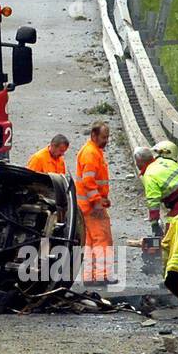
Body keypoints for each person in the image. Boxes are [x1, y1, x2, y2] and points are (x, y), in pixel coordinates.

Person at [74, 121, 114, 283]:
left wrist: (102, 198)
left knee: (90, 241)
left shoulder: (92, 151)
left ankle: (90, 276)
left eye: (107, 137)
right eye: (103, 137)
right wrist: (97, 202)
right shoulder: (91, 153)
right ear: (93, 135)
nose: (106, 140)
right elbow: (88, 181)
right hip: (92, 206)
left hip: (86, 206)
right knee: (103, 239)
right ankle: (102, 275)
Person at [134, 140, 178, 239]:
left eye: (137, 162)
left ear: (140, 162)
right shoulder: (165, 161)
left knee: (170, 233)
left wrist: (154, 223)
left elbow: (153, 201)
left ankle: (169, 252)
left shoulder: (149, 175)